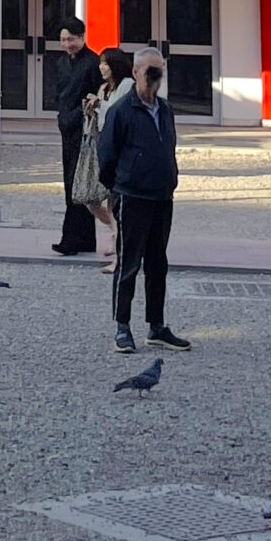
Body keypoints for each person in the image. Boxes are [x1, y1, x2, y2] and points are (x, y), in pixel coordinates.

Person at [99, 57, 187, 355]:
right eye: (150, 70)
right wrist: (120, 186)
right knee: (129, 263)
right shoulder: (122, 111)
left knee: (157, 264)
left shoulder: (166, 110)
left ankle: (156, 326)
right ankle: (122, 327)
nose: (154, 76)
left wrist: (171, 179)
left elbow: (169, 147)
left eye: (159, 70)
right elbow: (106, 155)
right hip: (132, 196)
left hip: (162, 197)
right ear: (136, 72)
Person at [69, 47, 132, 270]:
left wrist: (100, 105)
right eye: (101, 63)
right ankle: (115, 232)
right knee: (92, 201)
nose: (102, 67)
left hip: (118, 150)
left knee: (114, 201)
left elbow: (119, 114)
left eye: (106, 63)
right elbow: (99, 118)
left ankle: (120, 255)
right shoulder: (104, 88)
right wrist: (90, 109)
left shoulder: (127, 86)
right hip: (100, 147)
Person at [48, 19, 104, 256]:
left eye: (71, 39)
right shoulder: (62, 62)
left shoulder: (92, 62)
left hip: (84, 127)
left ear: (82, 37)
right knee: (71, 180)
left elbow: (98, 94)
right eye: (63, 40)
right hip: (67, 125)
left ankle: (71, 239)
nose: (67, 44)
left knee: (77, 181)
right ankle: (85, 238)